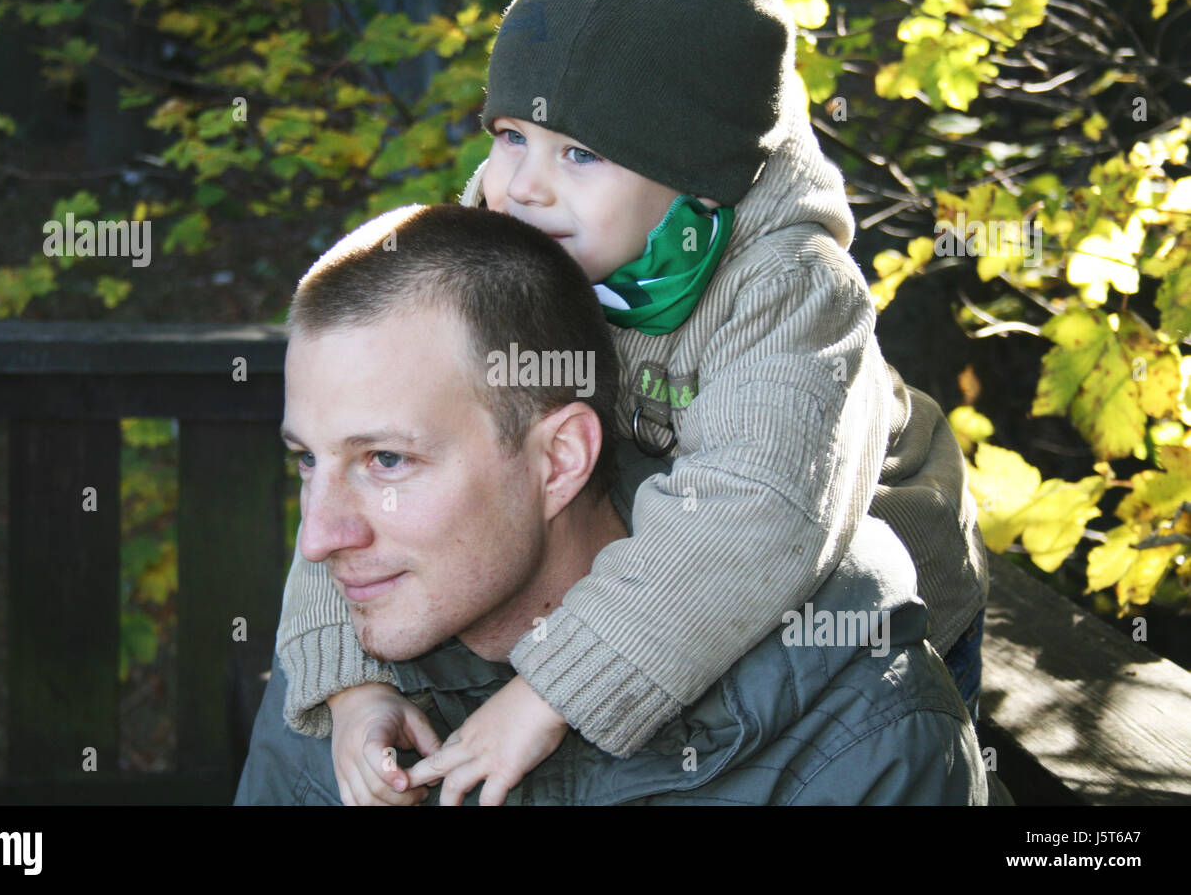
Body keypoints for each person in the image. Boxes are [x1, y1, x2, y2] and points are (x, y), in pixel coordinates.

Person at [275, 0, 988, 805]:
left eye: (580, 154)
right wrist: (350, 687)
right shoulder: (508, 227)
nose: (525, 186)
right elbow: (358, 454)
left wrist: (546, 695)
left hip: (841, 557)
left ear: (695, 180)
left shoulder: (786, 290)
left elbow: (757, 512)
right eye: (511, 136)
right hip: (649, 533)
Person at [235, 203, 988, 805]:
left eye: (387, 460)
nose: (319, 538)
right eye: (307, 459)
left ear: (559, 460)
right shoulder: (348, 688)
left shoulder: (858, 743)